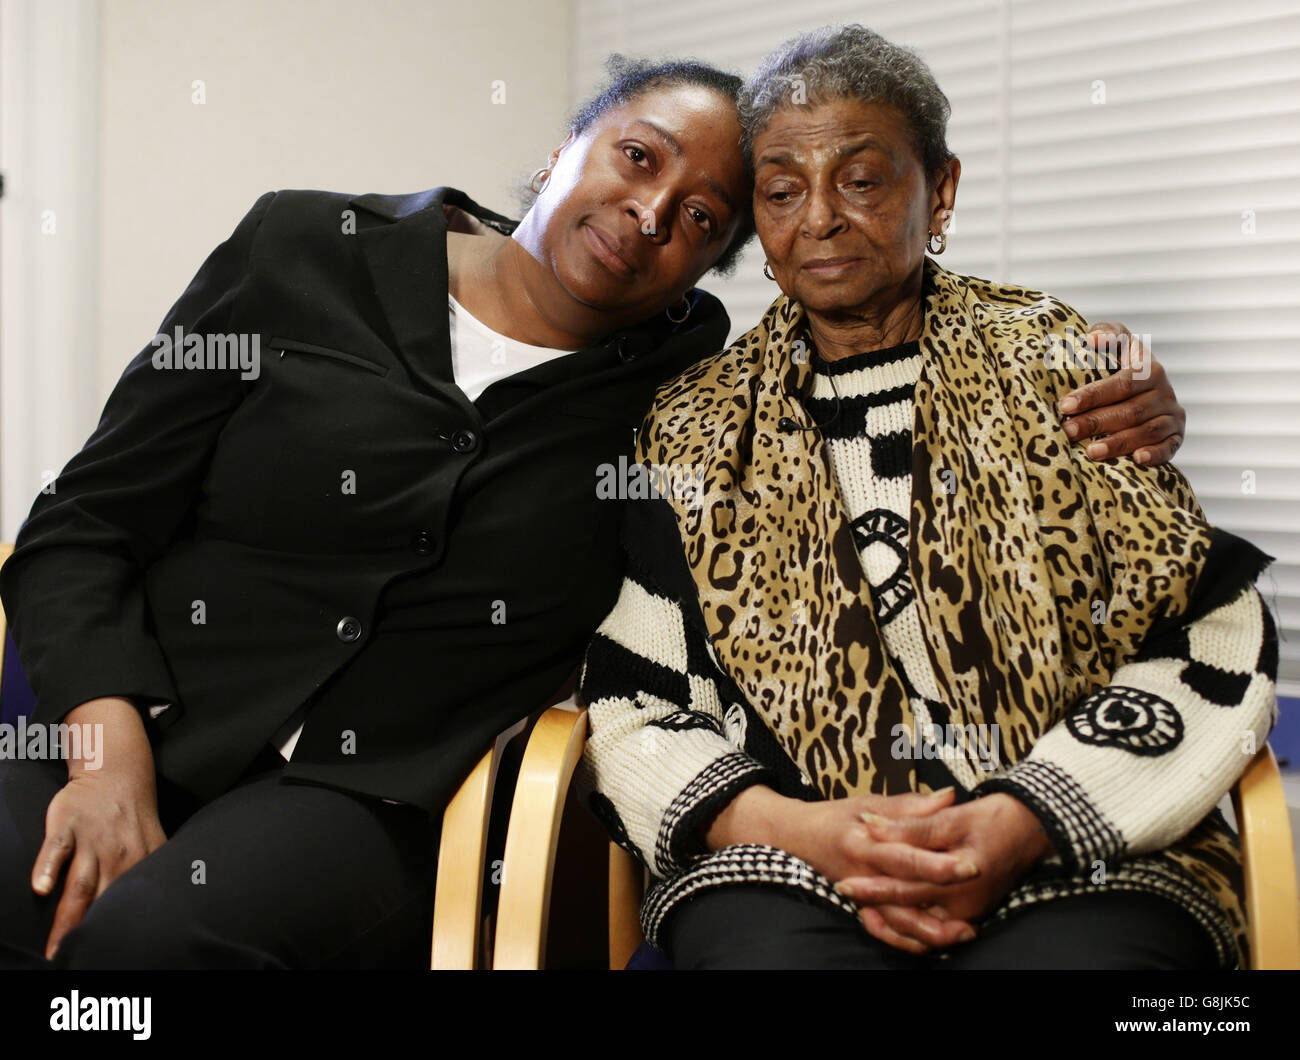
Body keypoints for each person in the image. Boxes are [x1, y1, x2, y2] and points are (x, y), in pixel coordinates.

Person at [0, 52, 1182, 970]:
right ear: (570, 144)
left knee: (146, 954)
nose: (654, 212)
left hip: (373, 794)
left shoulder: (686, 383)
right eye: (636, 156)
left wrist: (1116, 372)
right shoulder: (306, 247)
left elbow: (896, 372)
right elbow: (87, 521)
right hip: (144, 715)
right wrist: (105, 754)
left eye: (708, 217)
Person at [576, 25, 1277, 971]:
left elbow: (1209, 631)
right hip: (786, 864)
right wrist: (794, 830)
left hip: (1073, 852)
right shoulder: (695, 423)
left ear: (938, 191)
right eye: (781, 191)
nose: (818, 217)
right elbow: (638, 697)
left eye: (861, 180)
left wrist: (1024, 819)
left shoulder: (1061, 364)